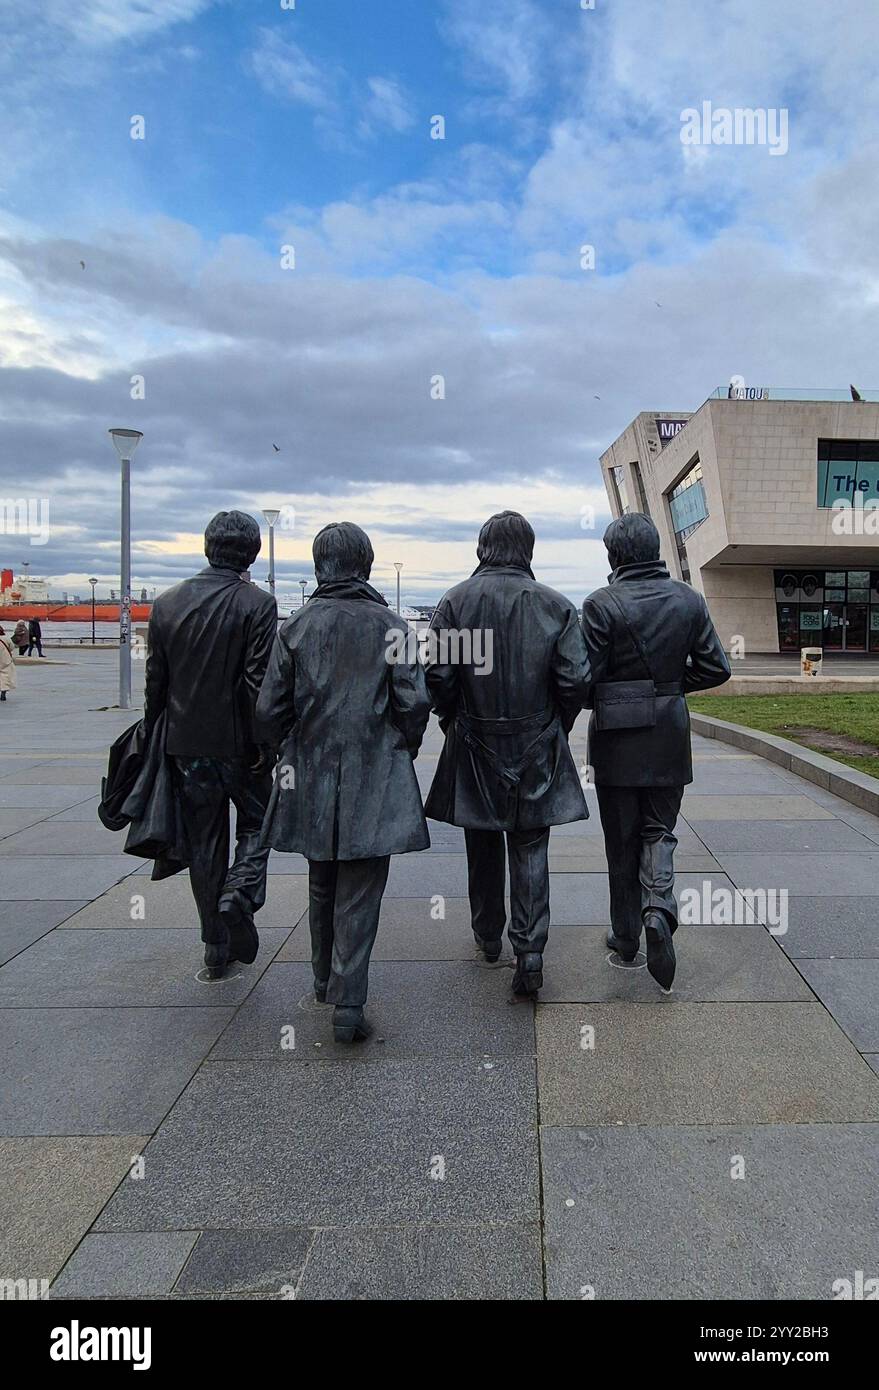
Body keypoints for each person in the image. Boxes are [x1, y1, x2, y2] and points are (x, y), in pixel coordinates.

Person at [257, 522, 431, 1043]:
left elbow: (268, 710)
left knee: (321, 878)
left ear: (318, 566)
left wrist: (289, 748)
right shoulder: (393, 627)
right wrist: (401, 747)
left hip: (310, 771)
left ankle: (322, 980)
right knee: (359, 887)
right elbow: (415, 703)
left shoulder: (296, 627)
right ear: (367, 564)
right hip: (373, 772)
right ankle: (348, 1001)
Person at [425, 511, 591, 997]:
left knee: (481, 841)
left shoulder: (456, 602)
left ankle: (488, 933)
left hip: (475, 739)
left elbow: (437, 677)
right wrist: (558, 723)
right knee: (530, 844)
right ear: (529, 551)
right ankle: (531, 949)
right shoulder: (556, 606)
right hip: (536, 741)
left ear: (483, 549)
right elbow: (576, 679)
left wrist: (451, 717)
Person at [581, 514, 731, 990]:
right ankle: (659, 911)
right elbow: (716, 668)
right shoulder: (688, 599)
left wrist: (622, 694)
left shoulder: (601, 604)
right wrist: (666, 689)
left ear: (614, 556)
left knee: (620, 841)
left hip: (617, 739)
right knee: (659, 831)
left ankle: (627, 936)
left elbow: (584, 679)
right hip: (669, 732)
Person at [143, 511, 278, 980]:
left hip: (186, 744)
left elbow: (155, 683)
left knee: (204, 842)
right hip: (242, 744)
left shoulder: (166, 604)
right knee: (259, 823)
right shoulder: (257, 604)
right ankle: (238, 894)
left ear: (207, 547)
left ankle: (214, 945)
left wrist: (152, 732)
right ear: (253, 552)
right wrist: (266, 739)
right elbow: (255, 681)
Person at [0, 627, 16, 702]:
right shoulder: (6, 638)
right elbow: (12, 647)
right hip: (5, 659)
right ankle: (3, 692)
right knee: (5, 676)